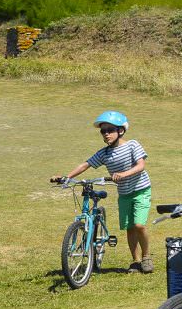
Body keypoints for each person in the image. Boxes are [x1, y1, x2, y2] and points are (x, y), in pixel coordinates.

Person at [51, 111, 155, 272]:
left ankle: (147, 257)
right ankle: (136, 261)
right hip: (124, 194)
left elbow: (141, 165)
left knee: (139, 225)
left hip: (141, 190)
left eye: (110, 130)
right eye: (103, 131)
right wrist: (66, 177)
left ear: (120, 131)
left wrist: (123, 174)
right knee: (129, 228)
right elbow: (86, 164)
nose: (106, 134)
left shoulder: (132, 145)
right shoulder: (104, 153)